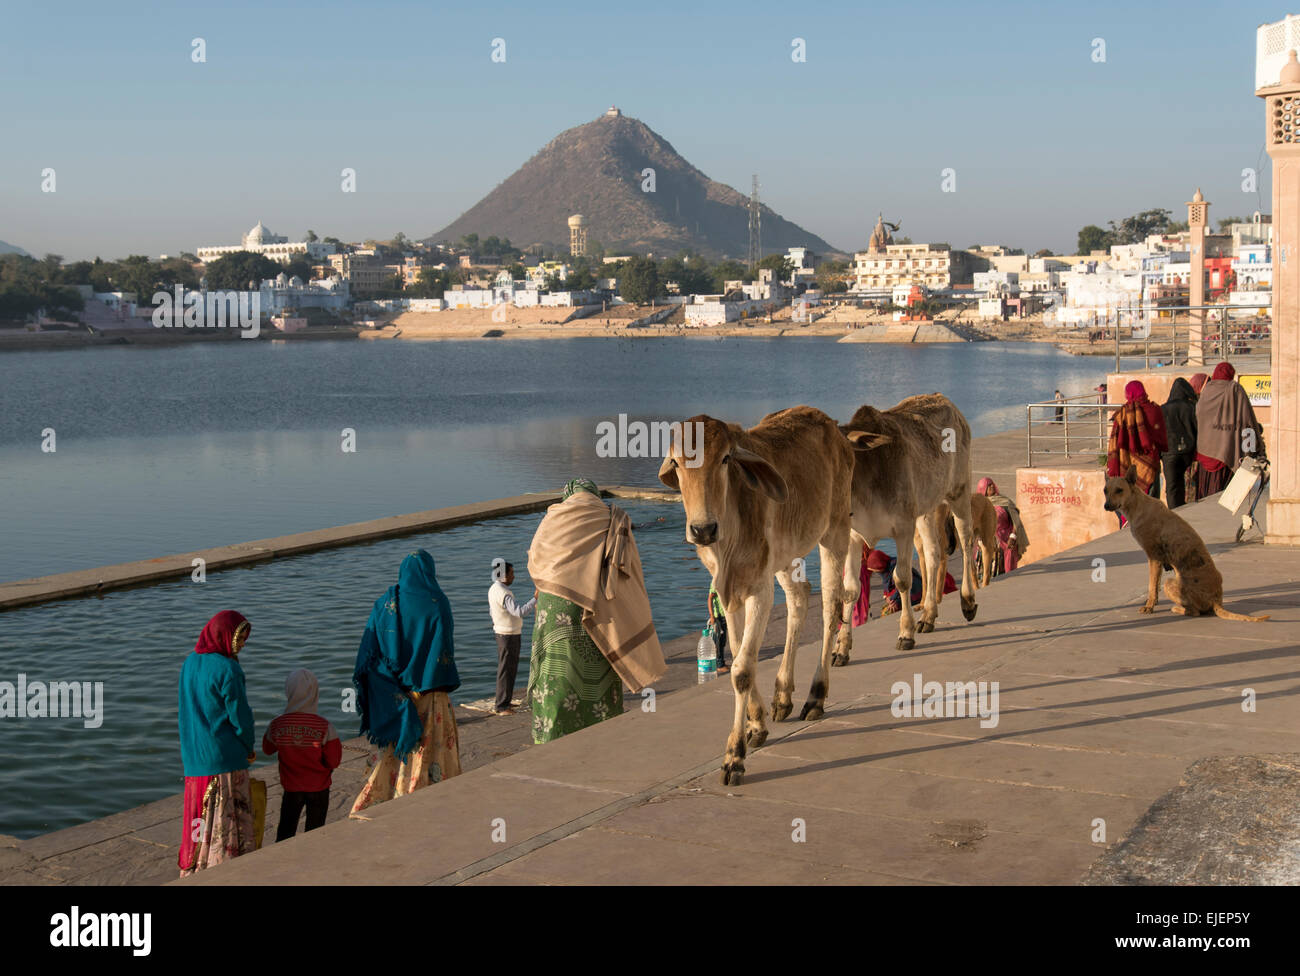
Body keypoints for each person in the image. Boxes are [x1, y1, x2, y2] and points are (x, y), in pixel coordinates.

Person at [526, 478, 666, 744]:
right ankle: (602, 732)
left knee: (557, 671)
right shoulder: (613, 517)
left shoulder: (554, 518)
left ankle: (552, 734)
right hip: (599, 606)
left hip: (556, 604)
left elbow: (537, 560)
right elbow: (628, 570)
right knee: (599, 666)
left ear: (568, 495)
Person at [350, 550, 461, 816]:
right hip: (431, 697)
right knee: (431, 755)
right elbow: (444, 652)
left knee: (393, 754)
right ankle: (429, 803)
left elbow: (371, 654)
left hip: (397, 699)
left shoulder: (386, 604)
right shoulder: (438, 602)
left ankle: (385, 798)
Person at [178, 610, 257, 877]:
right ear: (225, 636)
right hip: (225, 758)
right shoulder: (229, 669)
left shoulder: (189, 663)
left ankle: (197, 867)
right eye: (240, 639)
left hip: (194, 758)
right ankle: (224, 869)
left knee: (200, 818)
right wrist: (249, 748)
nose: (242, 645)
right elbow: (241, 718)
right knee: (226, 818)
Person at [262, 669, 341, 842]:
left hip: (291, 788)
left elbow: (267, 749)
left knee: (286, 830)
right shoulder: (325, 726)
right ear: (315, 693)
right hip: (319, 788)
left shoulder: (277, 724)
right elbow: (334, 761)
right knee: (315, 832)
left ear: (288, 691)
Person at [1195, 362, 1266, 498]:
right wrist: (1255, 448)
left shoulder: (1206, 390)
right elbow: (1247, 421)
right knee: (1225, 498)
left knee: (1207, 498)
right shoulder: (1234, 389)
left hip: (1204, 454)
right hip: (1227, 454)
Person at [1106, 380, 1168, 499]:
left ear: (1128, 394)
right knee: (1150, 502)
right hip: (1150, 463)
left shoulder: (1123, 414)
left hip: (1128, 462)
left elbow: (1116, 442)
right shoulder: (1154, 409)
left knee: (1128, 501)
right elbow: (1161, 436)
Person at [489, 561, 536, 714]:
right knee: (506, 669)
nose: (513, 576)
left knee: (508, 668)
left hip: (503, 632)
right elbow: (519, 612)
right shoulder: (504, 593)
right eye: (511, 574)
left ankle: (505, 701)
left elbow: (492, 612)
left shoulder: (494, 589)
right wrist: (535, 599)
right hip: (508, 634)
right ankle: (502, 705)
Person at [977, 477, 1029, 574]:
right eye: (989, 485)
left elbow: (1016, 520)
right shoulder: (981, 505)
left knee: (1009, 570)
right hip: (989, 541)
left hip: (1007, 541)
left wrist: (1012, 537)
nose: (992, 486)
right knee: (991, 572)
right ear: (983, 490)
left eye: (992, 484)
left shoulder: (1004, 502)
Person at [1160, 378, 1198, 509]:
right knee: (1188, 484)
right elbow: (1197, 428)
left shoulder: (1163, 409)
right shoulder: (1191, 408)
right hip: (1188, 452)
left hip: (1169, 454)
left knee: (1172, 487)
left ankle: (1175, 513)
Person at [707, 580, 730, 674]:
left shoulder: (725, 580)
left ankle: (722, 662)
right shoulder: (716, 582)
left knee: (723, 641)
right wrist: (712, 615)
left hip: (726, 615)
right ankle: (719, 665)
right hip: (719, 616)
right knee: (719, 641)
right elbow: (710, 599)